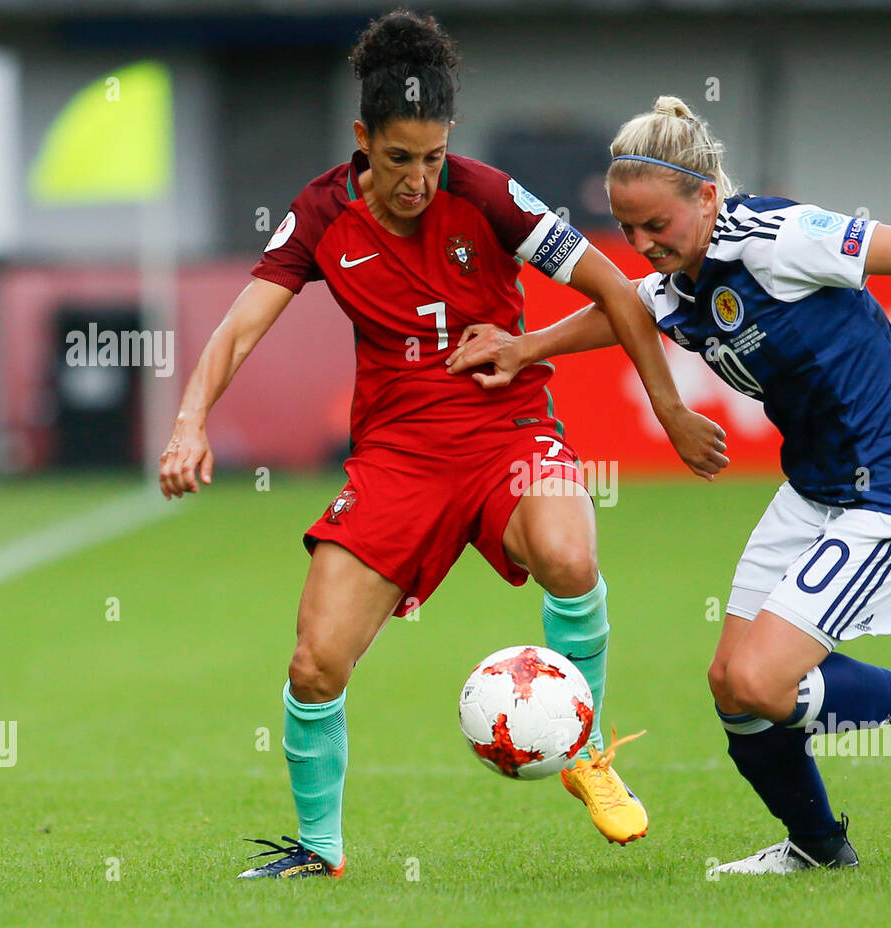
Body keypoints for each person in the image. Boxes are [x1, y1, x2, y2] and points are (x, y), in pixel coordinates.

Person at [447, 95, 891, 873]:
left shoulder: (777, 237)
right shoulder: (684, 276)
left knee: (763, 679)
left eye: (657, 224)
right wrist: (526, 348)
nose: (642, 243)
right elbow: (628, 310)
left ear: (708, 195)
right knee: (731, 684)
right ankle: (819, 847)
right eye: (627, 228)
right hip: (817, 486)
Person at [158, 22, 727, 878]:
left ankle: (586, 749)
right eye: (397, 159)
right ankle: (320, 850)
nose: (419, 179)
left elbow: (615, 287)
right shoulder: (320, 213)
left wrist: (671, 409)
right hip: (397, 458)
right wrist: (189, 419)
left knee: (570, 556)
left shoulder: (490, 194)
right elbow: (242, 327)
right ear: (362, 142)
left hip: (509, 433)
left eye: (431, 157)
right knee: (315, 664)